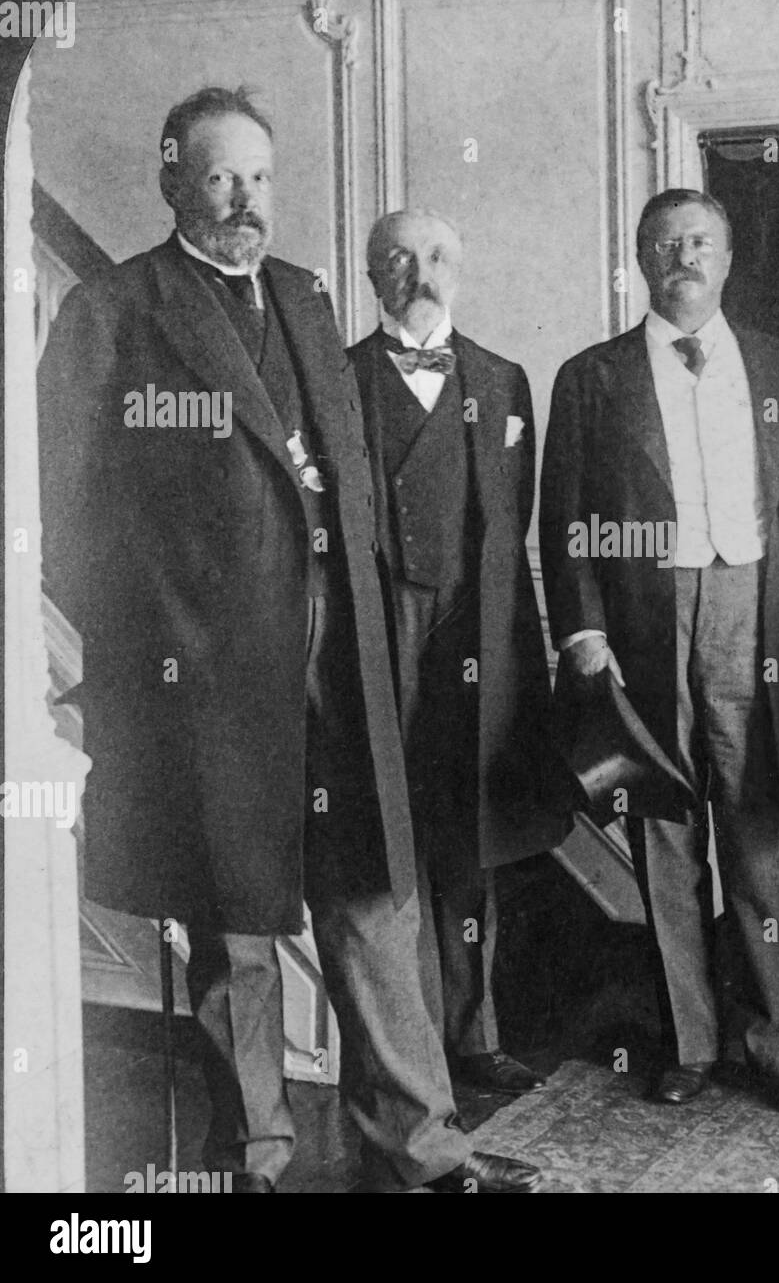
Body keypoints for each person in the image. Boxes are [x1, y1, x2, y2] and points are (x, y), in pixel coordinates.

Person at [38, 87, 542, 1193]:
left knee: (370, 899)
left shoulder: (307, 297)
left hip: (338, 665)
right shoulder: (117, 312)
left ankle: (420, 1149)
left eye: (259, 178)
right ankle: (253, 1159)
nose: (243, 200)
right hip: (209, 675)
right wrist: (153, 637)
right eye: (219, 176)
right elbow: (61, 509)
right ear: (173, 178)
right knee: (236, 926)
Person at [539, 187, 779, 1120]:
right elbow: (565, 519)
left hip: (755, 608)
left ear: (728, 260)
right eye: (668, 242)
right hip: (642, 616)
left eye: (702, 242)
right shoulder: (592, 376)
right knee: (663, 826)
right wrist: (583, 628)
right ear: (642, 259)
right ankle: (691, 1042)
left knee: (759, 824)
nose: (686, 256)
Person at [348, 208, 565, 1096]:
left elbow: (513, 522)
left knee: (469, 837)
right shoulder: (338, 375)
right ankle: (411, 1051)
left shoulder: (503, 380)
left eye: (435, 255)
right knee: (384, 839)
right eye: (397, 258)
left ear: (459, 269)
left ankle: (476, 1039)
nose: (418, 270)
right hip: (379, 624)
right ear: (372, 278)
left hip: (477, 629)